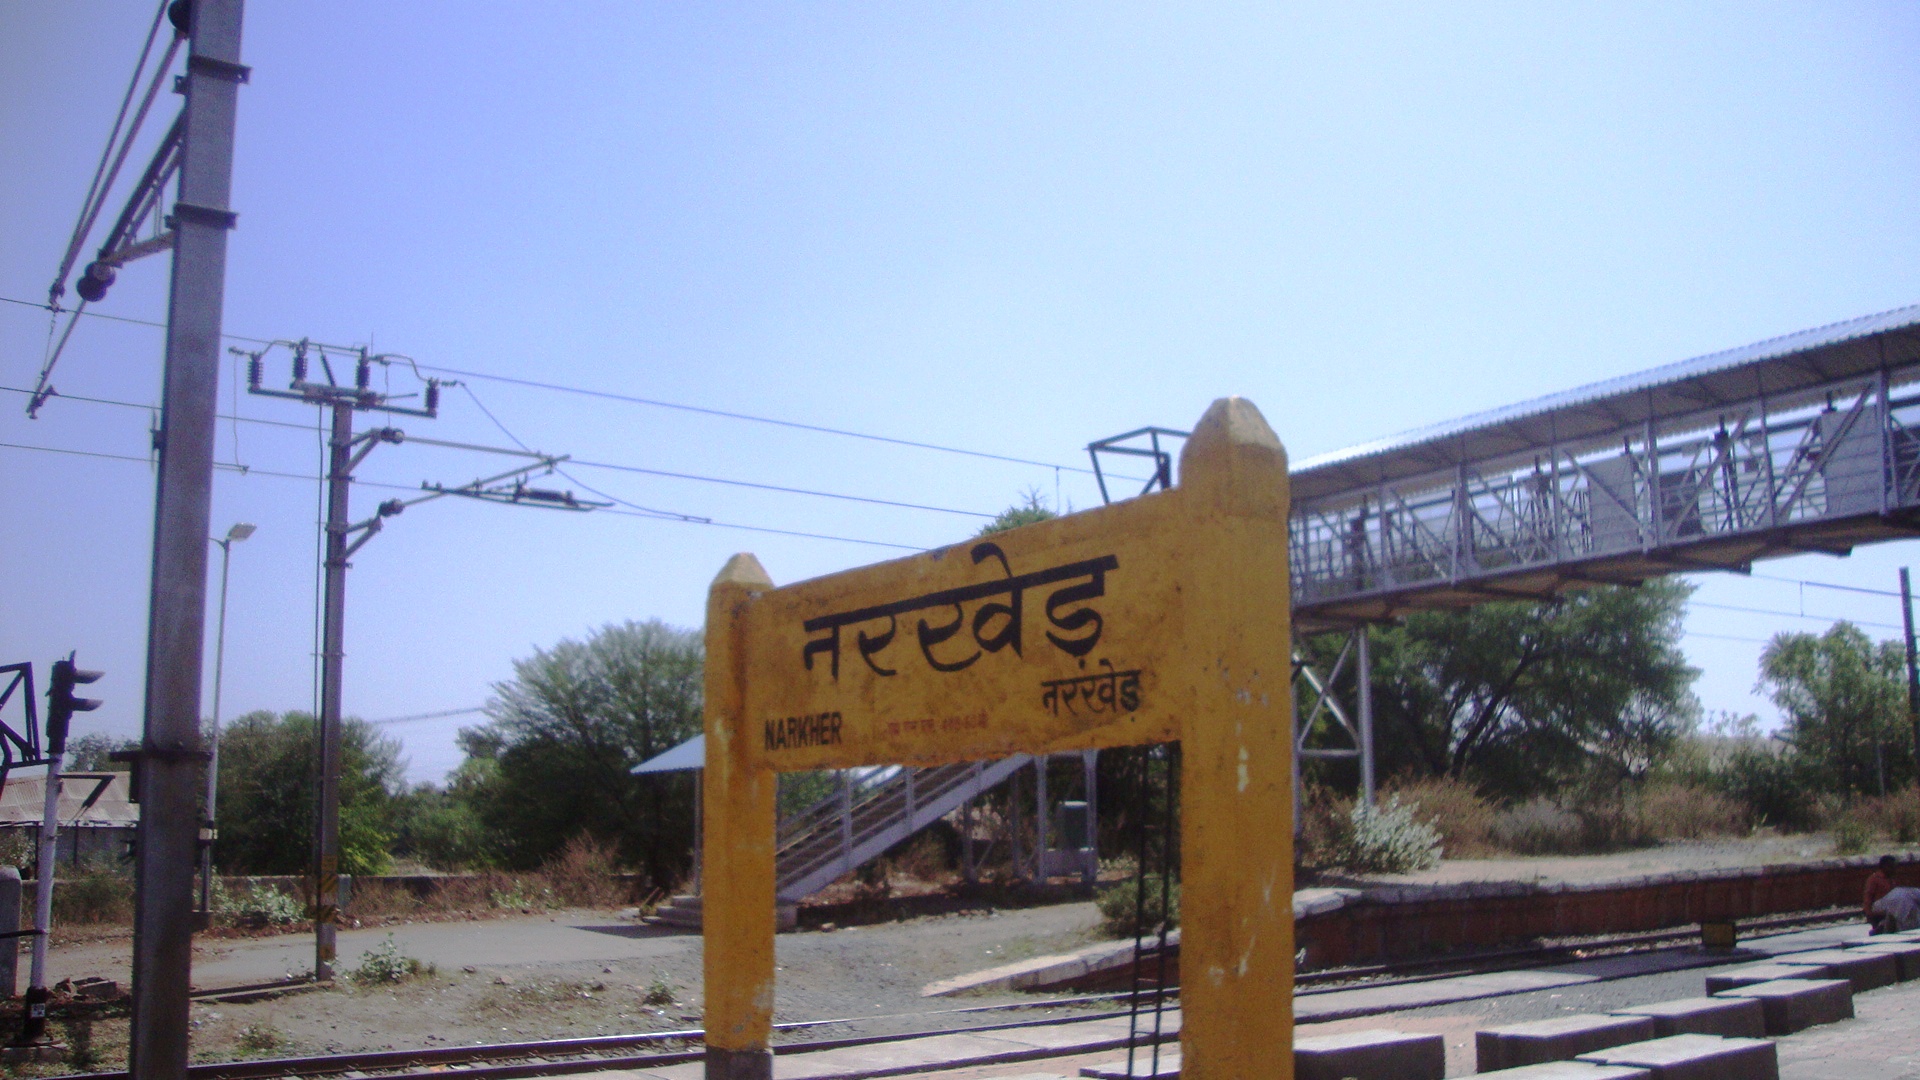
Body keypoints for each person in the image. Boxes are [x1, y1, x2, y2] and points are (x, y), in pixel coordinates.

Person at [1865, 854, 1897, 926]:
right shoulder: (1874, 879)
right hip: (1878, 913)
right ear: (1884, 866)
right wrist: (1869, 913)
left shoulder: (1891, 879)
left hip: (1890, 912)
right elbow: (1868, 897)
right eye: (1891, 867)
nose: (1894, 869)